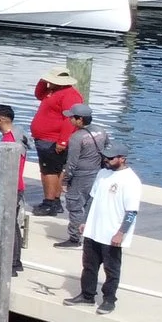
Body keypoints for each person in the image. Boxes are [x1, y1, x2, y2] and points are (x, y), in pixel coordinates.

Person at [64, 141, 139, 315]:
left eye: (111, 158)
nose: (106, 160)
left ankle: (109, 300)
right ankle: (87, 295)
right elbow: (92, 199)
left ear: (122, 159)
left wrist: (121, 233)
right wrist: (84, 221)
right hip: (93, 230)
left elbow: (131, 211)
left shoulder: (131, 181)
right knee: (89, 266)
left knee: (111, 269)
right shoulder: (103, 173)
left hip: (112, 234)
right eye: (105, 157)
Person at [29, 67, 84, 216]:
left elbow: (69, 119)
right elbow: (38, 94)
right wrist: (43, 81)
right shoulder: (51, 91)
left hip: (53, 139)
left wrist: (63, 141)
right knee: (54, 170)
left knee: (49, 171)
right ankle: (55, 201)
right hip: (45, 138)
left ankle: (50, 202)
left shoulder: (70, 95)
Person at [57, 102, 108, 247]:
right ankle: (89, 234)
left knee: (75, 205)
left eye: (72, 117)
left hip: (81, 176)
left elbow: (71, 162)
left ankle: (75, 238)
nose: (70, 120)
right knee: (89, 205)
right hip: (97, 173)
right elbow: (107, 149)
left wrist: (65, 181)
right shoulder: (101, 131)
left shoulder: (76, 137)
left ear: (80, 119)